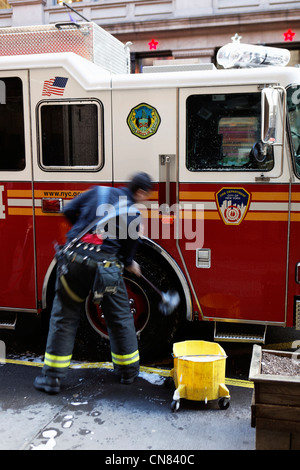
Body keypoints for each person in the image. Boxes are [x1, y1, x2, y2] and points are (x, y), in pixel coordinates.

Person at [34, 172, 153, 394]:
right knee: (120, 318)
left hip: (73, 263)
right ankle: (128, 373)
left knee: (64, 317)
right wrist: (129, 263)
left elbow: (68, 210)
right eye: (147, 195)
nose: (146, 199)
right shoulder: (133, 213)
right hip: (106, 270)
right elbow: (127, 252)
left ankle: (51, 379)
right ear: (140, 192)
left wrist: (81, 229)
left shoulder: (98, 191)